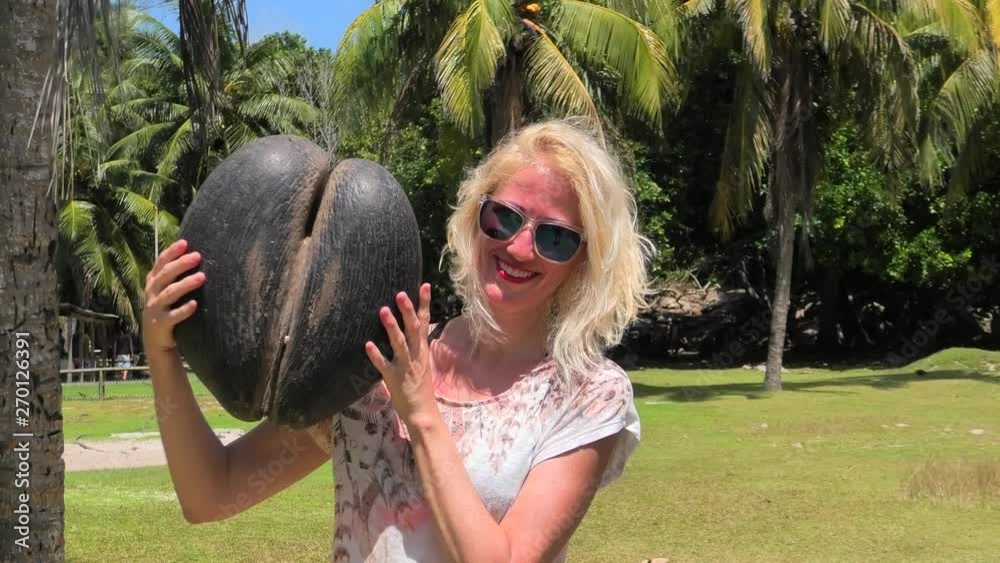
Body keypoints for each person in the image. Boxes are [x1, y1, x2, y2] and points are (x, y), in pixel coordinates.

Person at [142, 119, 654, 563]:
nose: (520, 247)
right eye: (505, 217)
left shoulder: (588, 395)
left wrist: (421, 412)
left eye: (556, 237)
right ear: (476, 215)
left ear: (584, 261)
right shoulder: (374, 363)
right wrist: (162, 353)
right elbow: (212, 493)